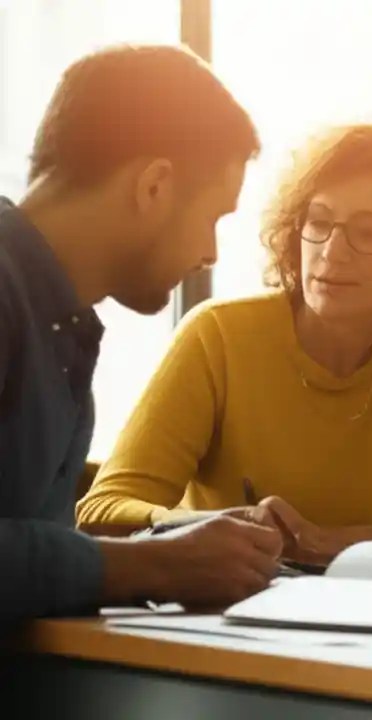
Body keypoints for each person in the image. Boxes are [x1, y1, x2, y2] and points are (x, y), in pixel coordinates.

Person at [76, 124, 372, 565]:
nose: (332, 251)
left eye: (368, 233)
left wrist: (352, 543)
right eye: (319, 222)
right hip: (229, 611)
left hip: (367, 618)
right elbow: (103, 511)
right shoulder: (218, 336)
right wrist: (210, 528)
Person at [0, 45, 282, 622]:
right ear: (154, 187)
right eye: (213, 218)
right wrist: (154, 566)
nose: (209, 253)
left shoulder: (59, 327)